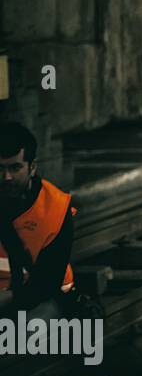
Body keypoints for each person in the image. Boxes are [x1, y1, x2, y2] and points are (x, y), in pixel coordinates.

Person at [0, 123, 95, 323]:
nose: (6, 177)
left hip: (46, 301)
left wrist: (9, 298)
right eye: (0, 168)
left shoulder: (55, 209)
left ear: (32, 167)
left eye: (15, 168)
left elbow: (46, 283)